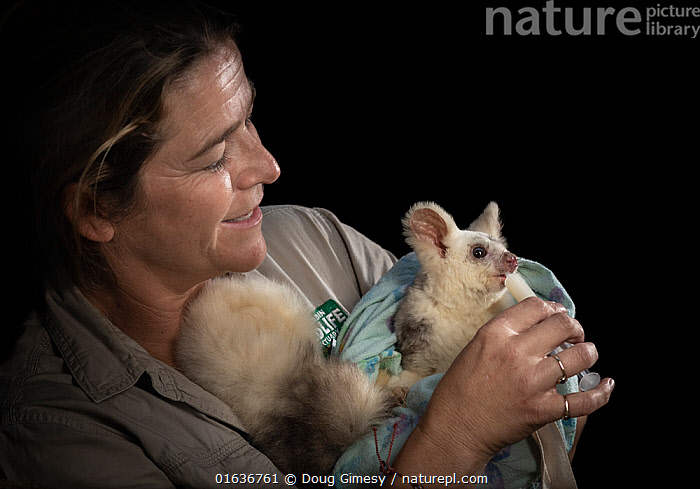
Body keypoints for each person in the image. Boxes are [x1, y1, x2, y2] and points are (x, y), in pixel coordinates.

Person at [0, 1, 614, 487]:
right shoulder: (67, 433)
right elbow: (475, 415)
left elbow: (525, 404)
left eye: (249, 120)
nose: (267, 165)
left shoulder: (311, 241)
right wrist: (457, 436)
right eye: (215, 157)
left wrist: (543, 395)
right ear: (96, 208)